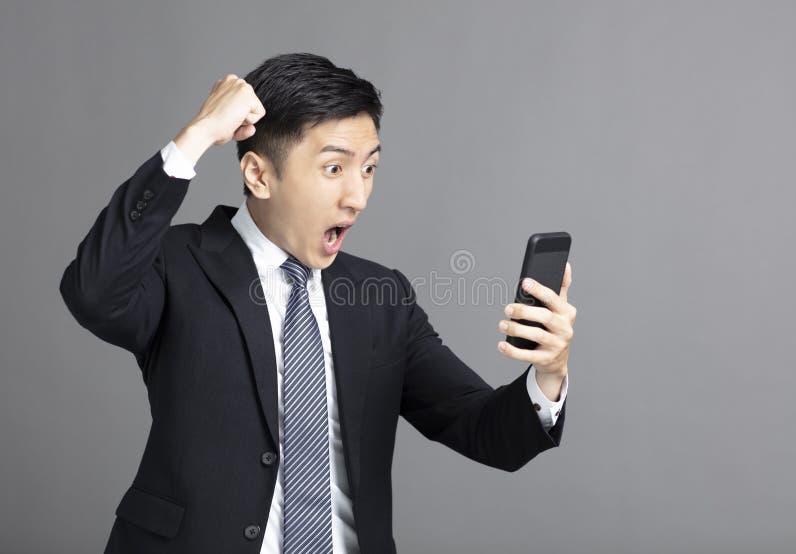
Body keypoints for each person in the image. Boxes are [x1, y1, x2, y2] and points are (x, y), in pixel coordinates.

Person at [59, 52, 576, 554]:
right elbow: (94, 292)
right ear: (259, 175)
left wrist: (548, 373)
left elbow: (482, 429)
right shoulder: (176, 264)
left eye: (369, 168)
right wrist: (194, 139)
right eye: (334, 169)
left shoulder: (382, 297)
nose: (359, 197)